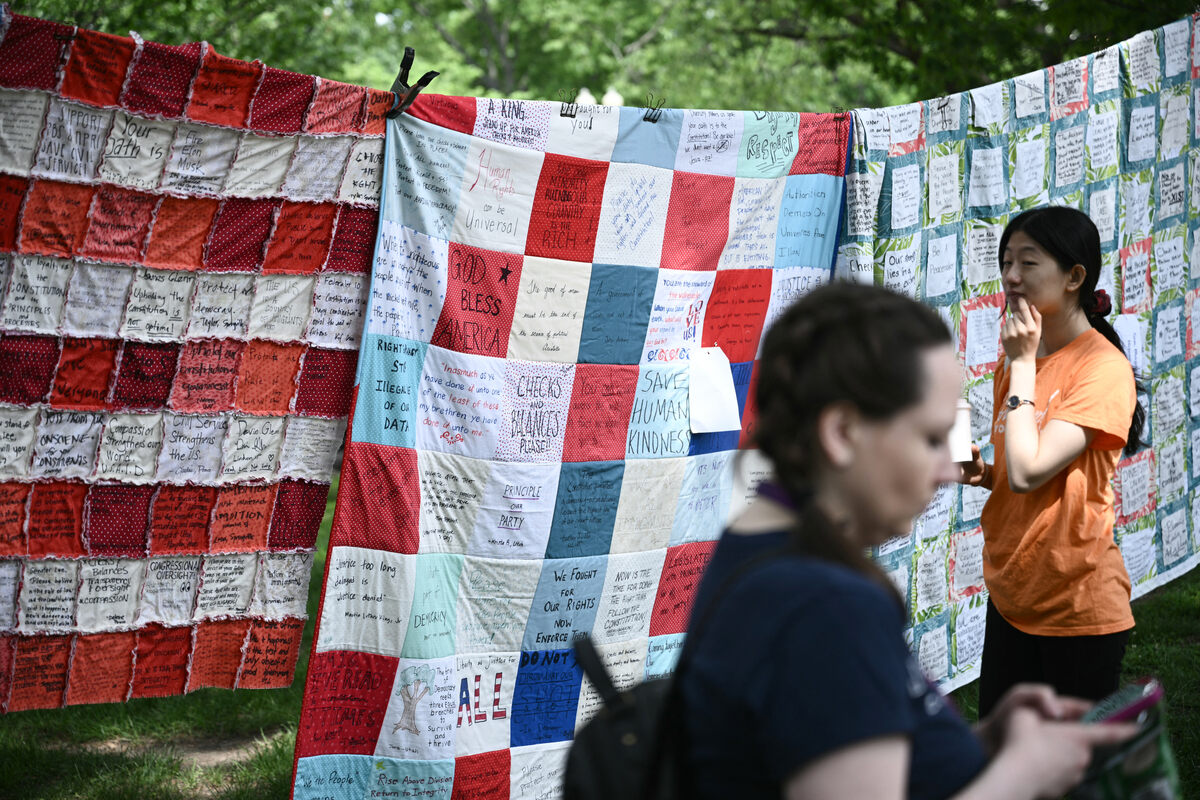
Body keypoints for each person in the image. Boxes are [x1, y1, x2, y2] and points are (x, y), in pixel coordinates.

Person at [678, 281, 1135, 800]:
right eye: (930, 438)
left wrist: (980, 743)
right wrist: (1025, 773)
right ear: (843, 433)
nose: (947, 469)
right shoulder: (825, 604)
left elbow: (848, 752)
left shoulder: (764, 546)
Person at [959, 206, 1143, 718]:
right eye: (1005, 261)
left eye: (1028, 262)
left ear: (1074, 277)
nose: (1011, 277)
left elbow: (1027, 472)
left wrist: (1020, 364)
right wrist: (984, 473)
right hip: (1013, 597)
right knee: (1004, 765)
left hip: (1077, 607)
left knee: (1077, 775)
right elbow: (1018, 470)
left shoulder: (1103, 368)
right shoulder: (1018, 363)